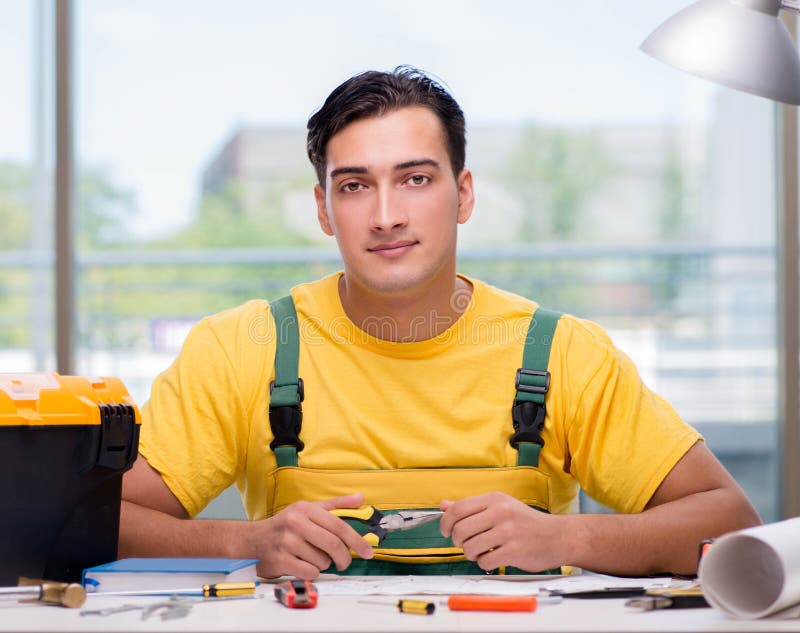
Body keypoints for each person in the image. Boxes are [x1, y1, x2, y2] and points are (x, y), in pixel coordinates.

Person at [120, 66, 761, 580]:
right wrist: (251, 541)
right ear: (322, 209)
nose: (387, 215)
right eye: (354, 187)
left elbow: (730, 522)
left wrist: (566, 536)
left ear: (465, 194)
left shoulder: (561, 353)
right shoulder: (243, 349)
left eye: (416, 178)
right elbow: (102, 520)